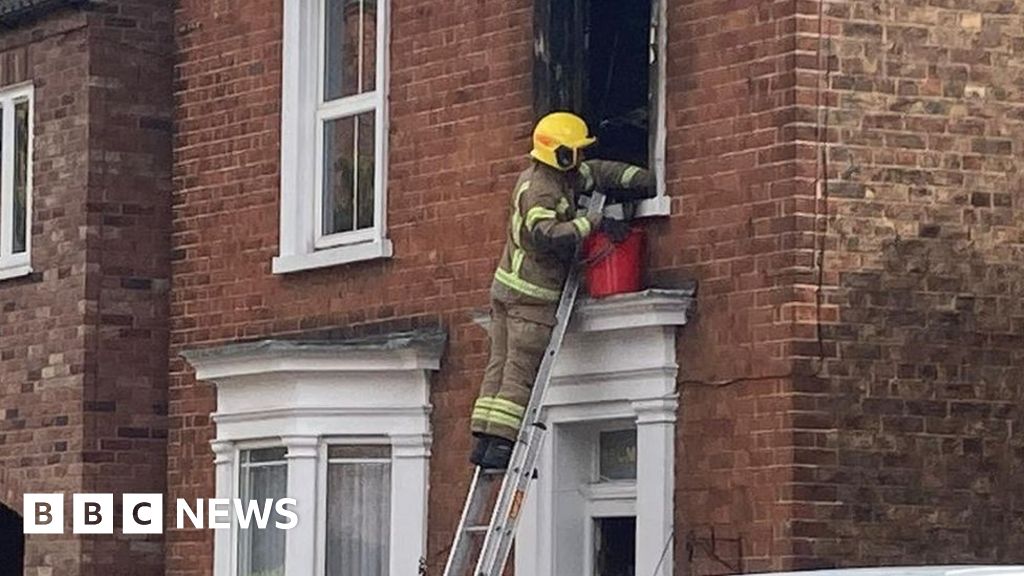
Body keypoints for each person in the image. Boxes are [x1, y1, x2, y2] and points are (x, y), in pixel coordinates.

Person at [470, 111, 656, 469]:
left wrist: (644, 179)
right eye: (575, 151)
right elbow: (547, 235)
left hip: (508, 289)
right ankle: (501, 446)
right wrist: (594, 222)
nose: (580, 157)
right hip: (532, 296)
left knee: (499, 365)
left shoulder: (552, 177)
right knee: (519, 371)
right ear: (560, 153)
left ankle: (484, 439)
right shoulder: (542, 190)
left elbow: (597, 172)